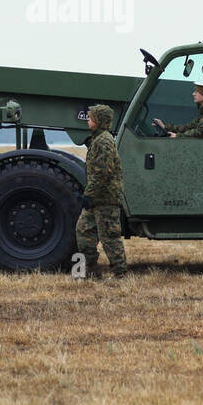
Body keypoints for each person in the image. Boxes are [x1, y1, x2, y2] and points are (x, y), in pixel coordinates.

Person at [77, 104, 127, 279]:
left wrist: (88, 194)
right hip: (97, 197)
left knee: (109, 237)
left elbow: (102, 173)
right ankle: (90, 271)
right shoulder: (98, 139)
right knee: (83, 230)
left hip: (106, 198)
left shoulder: (104, 142)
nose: (88, 120)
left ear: (99, 121)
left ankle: (120, 274)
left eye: (91, 118)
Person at [153, 71, 203, 138]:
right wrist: (165, 127)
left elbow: (201, 132)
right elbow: (189, 127)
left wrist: (178, 136)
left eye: (197, 91)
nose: (193, 94)